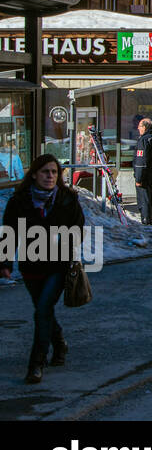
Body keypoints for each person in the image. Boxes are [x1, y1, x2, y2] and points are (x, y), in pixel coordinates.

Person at [1, 155, 85, 384]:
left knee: (42, 311)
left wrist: (66, 248)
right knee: (43, 310)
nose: (50, 176)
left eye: (54, 172)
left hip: (58, 266)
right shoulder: (19, 201)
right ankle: (60, 344)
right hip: (31, 266)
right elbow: (9, 232)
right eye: (45, 172)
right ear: (35, 174)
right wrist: (6, 263)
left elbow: (78, 230)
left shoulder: (68, 199)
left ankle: (36, 364)